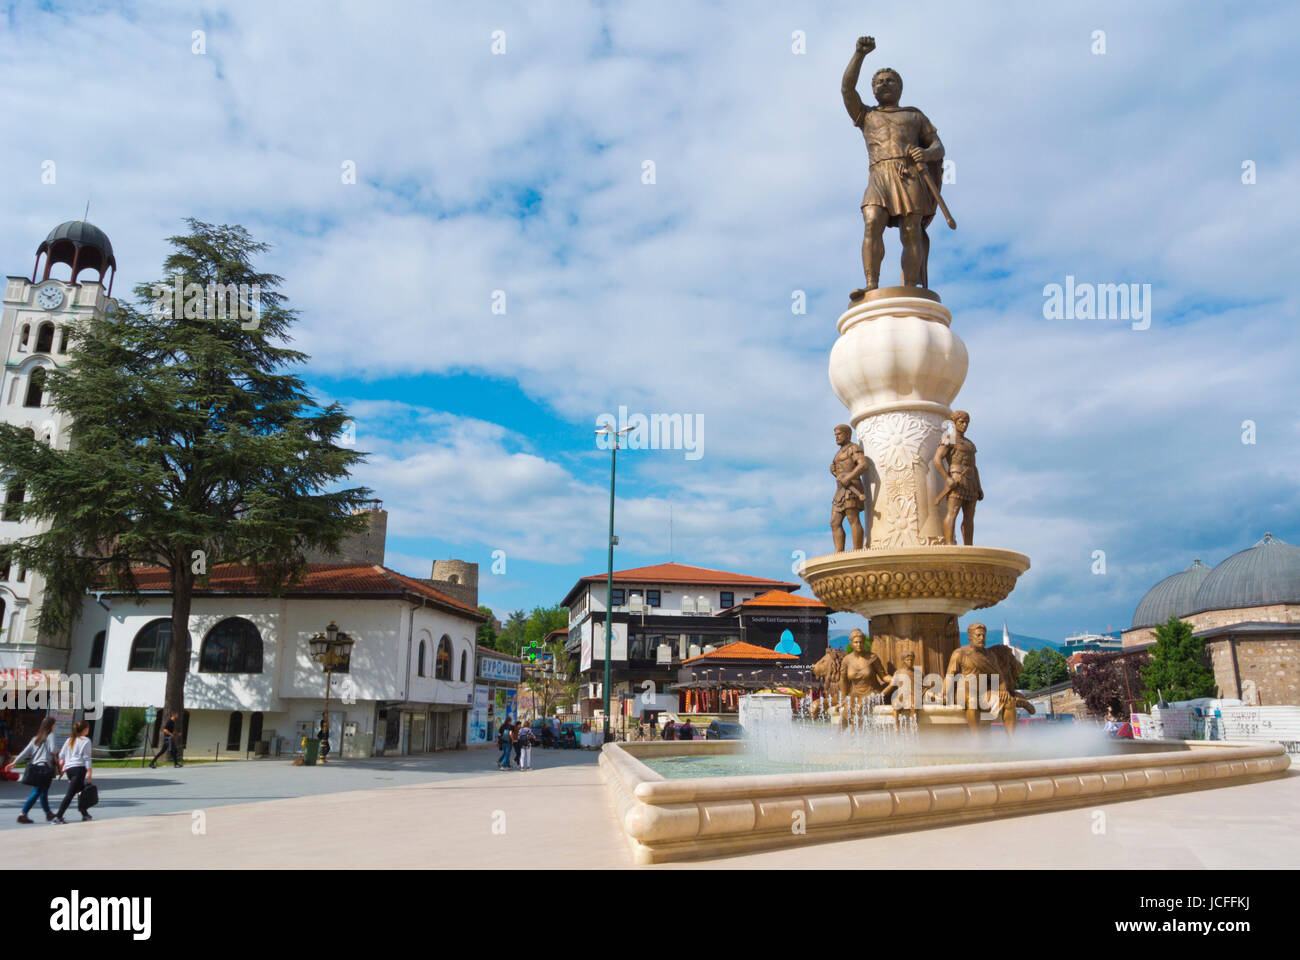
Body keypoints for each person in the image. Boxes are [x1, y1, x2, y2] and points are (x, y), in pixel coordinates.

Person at [4, 716, 58, 823]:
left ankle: (48, 814)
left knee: (43, 792)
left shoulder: (35, 738)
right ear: (51, 726)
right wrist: (59, 750)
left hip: (35, 768)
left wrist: (14, 762)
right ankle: (23, 814)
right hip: (45, 769)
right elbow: (53, 750)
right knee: (38, 792)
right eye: (54, 724)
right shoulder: (51, 736)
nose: (55, 726)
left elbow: (26, 752)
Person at [54, 720, 94, 823]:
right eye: (88, 728)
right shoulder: (86, 741)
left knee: (80, 791)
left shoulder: (70, 740)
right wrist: (89, 773)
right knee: (70, 794)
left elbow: (61, 755)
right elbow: (87, 758)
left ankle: (85, 813)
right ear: (85, 730)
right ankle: (58, 816)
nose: (88, 730)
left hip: (70, 770)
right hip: (79, 770)